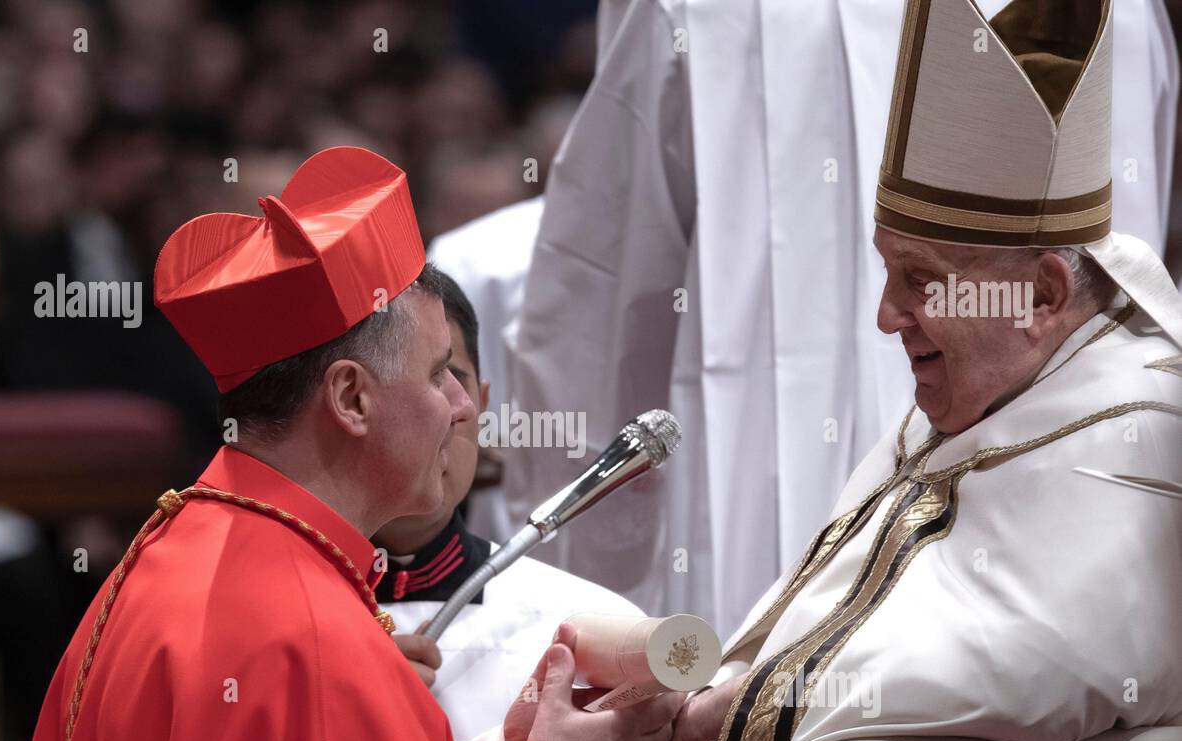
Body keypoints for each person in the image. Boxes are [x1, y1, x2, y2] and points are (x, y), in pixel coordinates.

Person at [0, 146, 681, 741]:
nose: (462, 406)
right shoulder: (318, 638)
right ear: (352, 398)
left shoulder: (170, 549)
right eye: (438, 373)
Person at [627, 0, 1182, 741]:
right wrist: (718, 687)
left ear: (1041, 294)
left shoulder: (1149, 427)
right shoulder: (990, 388)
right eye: (888, 271)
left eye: (921, 280)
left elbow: (1048, 660)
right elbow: (838, 606)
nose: (887, 316)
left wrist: (746, 706)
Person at [503, 0, 1178, 638]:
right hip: (782, 548)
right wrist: (589, 616)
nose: (887, 319)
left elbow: (599, 319)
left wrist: (586, 608)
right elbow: (604, 303)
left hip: (1073, 509)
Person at [372, 268, 643, 741]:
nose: (439, 412)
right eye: (402, 383)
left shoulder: (590, 626)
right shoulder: (265, 629)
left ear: (478, 403)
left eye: (447, 378)